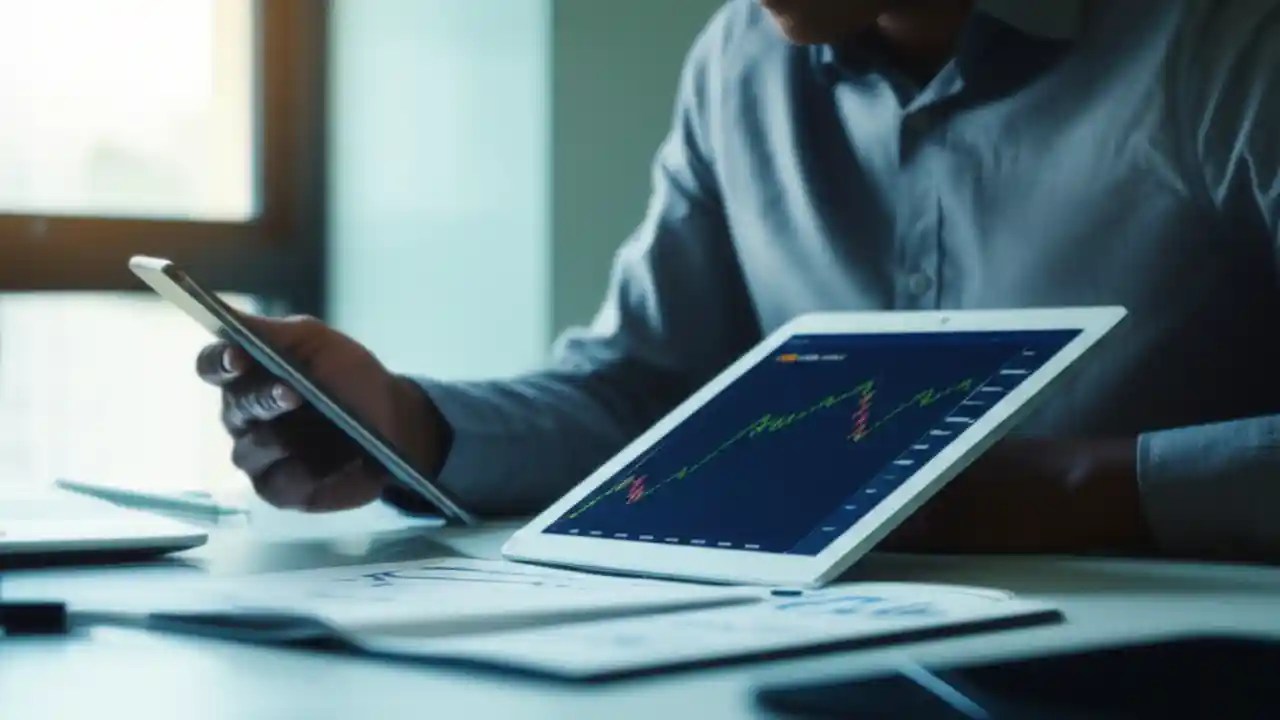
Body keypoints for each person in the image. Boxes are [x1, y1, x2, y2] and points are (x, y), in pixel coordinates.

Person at [197, 0, 1279, 561]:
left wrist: (1090, 491)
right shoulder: (738, 65)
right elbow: (649, 395)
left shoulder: (1228, 40)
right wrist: (410, 428)